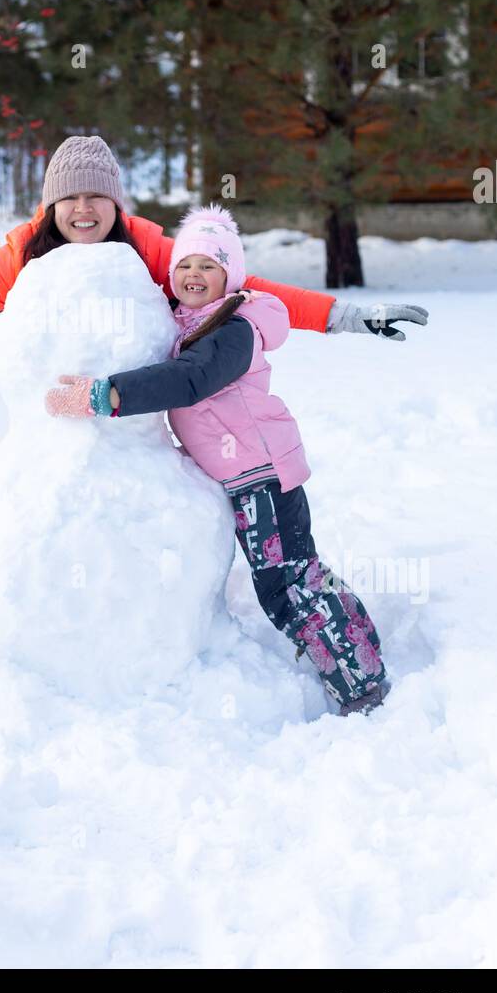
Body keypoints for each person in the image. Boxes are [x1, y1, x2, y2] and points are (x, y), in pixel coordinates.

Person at [45, 203, 428, 717]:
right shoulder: (189, 321)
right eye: (183, 265)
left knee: (290, 583)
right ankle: (349, 653)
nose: (193, 274)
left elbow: (190, 380)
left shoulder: (235, 328)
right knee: (295, 576)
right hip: (247, 474)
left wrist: (106, 395)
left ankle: (362, 682)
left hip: (262, 475)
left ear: (231, 275)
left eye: (208, 265)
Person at [0, 134, 429, 360]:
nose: (82, 207)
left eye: (95, 196)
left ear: (114, 204)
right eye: (69, 197)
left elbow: (244, 293)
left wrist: (340, 314)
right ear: (51, 205)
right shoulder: (23, 254)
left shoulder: (150, 248)